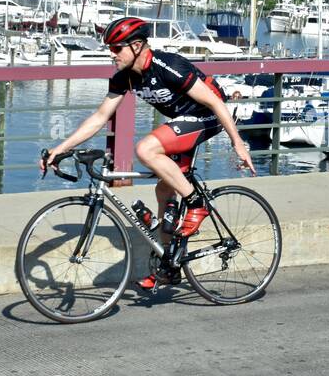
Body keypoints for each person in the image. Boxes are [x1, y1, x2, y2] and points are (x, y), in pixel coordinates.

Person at [41, 16, 256, 287]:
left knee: (145, 148)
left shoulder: (167, 65)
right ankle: (169, 265)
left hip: (208, 116)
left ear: (138, 46)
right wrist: (60, 149)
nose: (111, 54)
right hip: (182, 123)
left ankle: (196, 204)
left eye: (117, 48)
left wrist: (237, 142)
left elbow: (214, 101)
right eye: (110, 48)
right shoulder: (126, 77)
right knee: (164, 191)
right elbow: (100, 116)